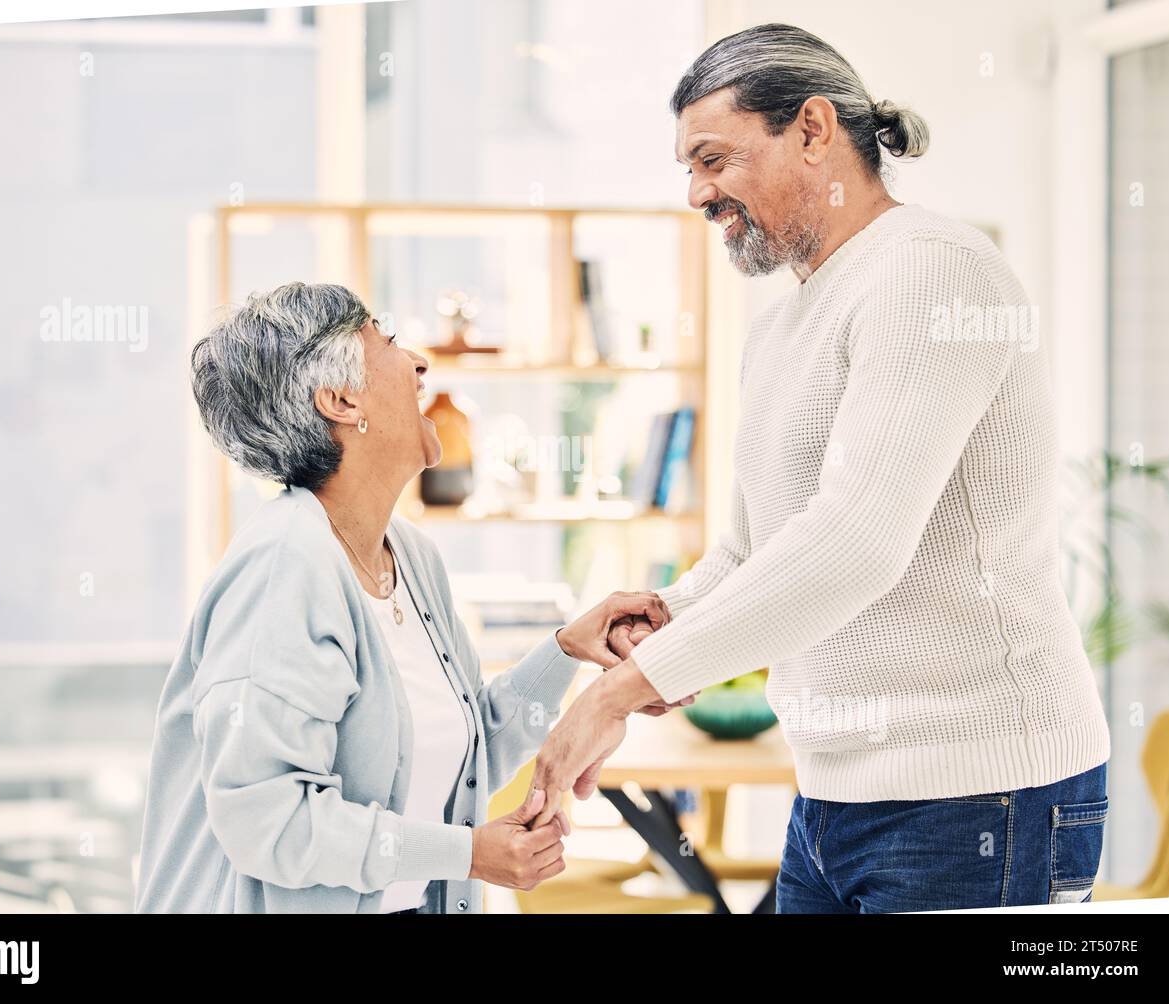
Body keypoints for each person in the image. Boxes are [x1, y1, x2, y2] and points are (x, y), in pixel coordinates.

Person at [531, 23, 1111, 912]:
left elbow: (855, 543)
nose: (697, 193)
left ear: (811, 128)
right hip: (835, 796)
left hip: (977, 793)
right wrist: (663, 616)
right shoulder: (782, 326)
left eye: (714, 159)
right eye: (689, 168)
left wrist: (621, 693)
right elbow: (751, 548)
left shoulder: (932, 274)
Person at [133, 281, 676, 913]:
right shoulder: (284, 568)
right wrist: (468, 853)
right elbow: (271, 821)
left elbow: (467, 760)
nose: (419, 362)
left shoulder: (409, 556)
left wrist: (566, 652)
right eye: (386, 341)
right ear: (340, 401)